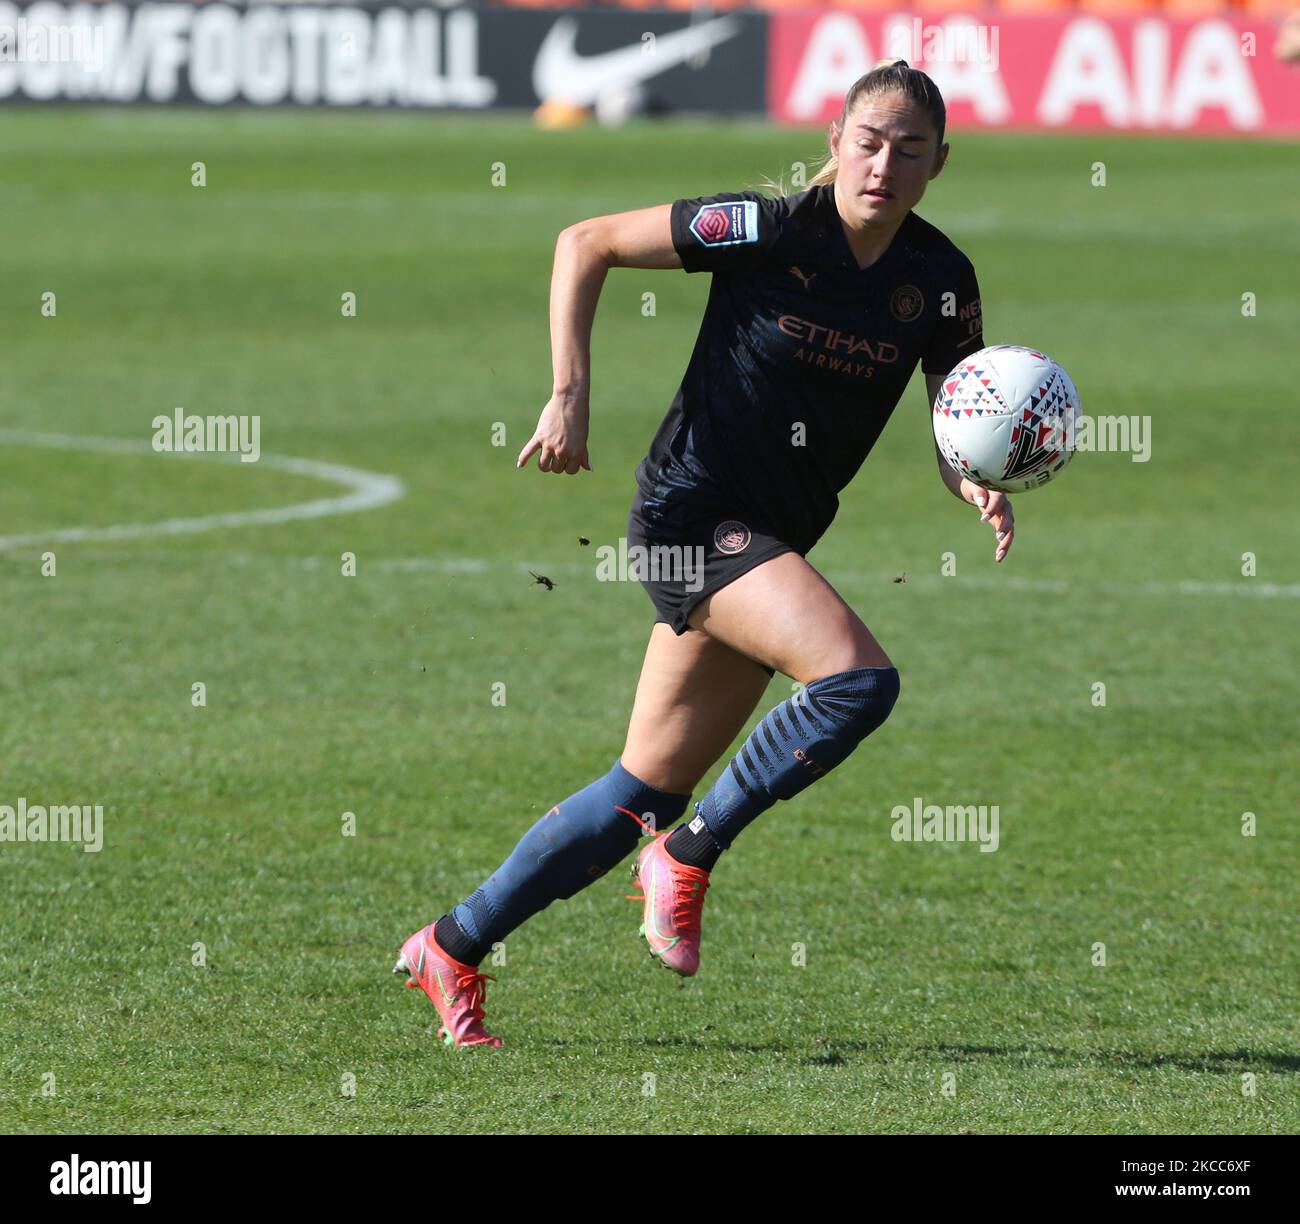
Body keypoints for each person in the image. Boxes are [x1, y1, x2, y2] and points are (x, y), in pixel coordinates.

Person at [395, 59, 1011, 1049]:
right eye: (867, 141)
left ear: (940, 162)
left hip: (768, 542)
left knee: (635, 792)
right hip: (690, 520)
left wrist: (973, 477)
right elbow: (584, 242)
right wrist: (567, 392)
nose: (883, 164)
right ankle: (686, 857)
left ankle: (453, 944)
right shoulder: (768, 226)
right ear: (833, 140)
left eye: (908, 149)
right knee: (855, 685)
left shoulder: (938, 282)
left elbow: (955, 419)